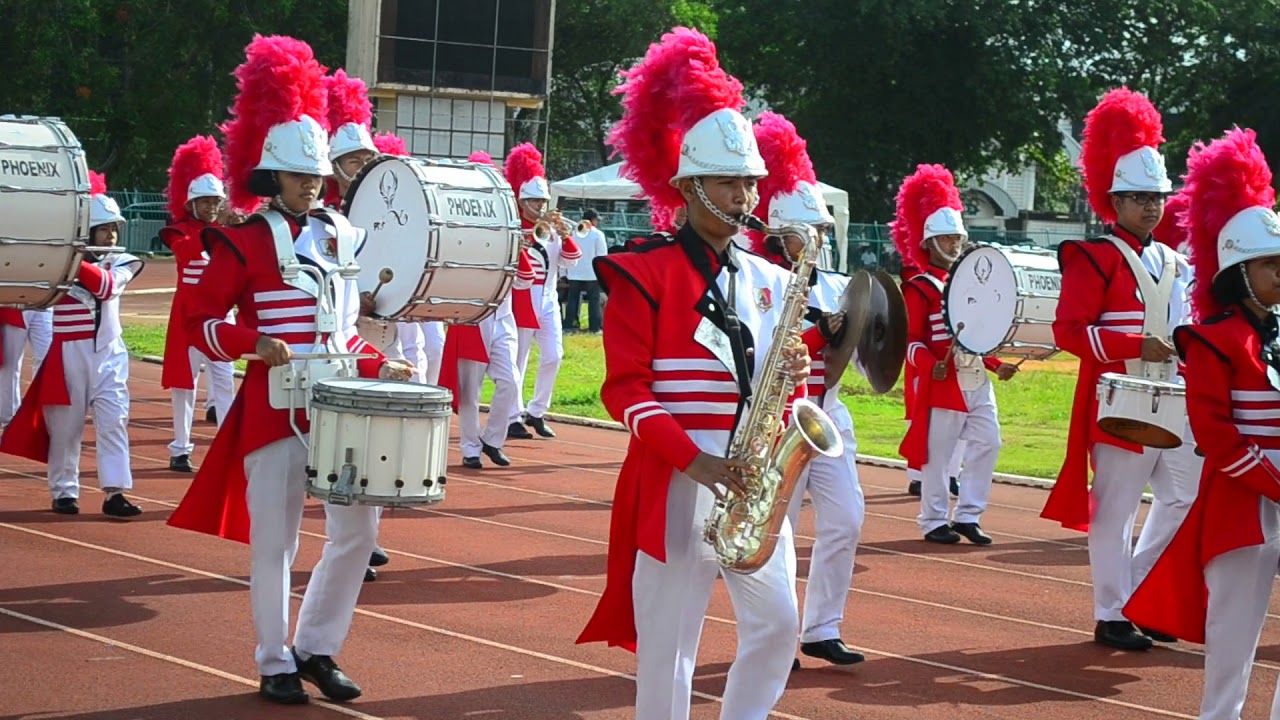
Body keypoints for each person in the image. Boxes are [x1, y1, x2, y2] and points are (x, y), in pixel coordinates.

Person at [164, 34, 413, 705]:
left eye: (317, 176)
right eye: (301, 175)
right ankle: (273, 659)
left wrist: (378, 359)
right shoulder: (240, 241)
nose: (313, 185)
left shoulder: (339, 237)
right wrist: (252, 341)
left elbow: (339, 332)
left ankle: (317, 647)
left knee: (358, 532)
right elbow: (199, 324)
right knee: (274, 543)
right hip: (274, 408)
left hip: (339, 403)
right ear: (273, 176)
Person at [575, 27, 811, 720]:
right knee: (670, 646)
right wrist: (696, 462)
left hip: (755, 479)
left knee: (777, 628)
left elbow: (774, 384)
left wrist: (790, 370)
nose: (743, 196)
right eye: (729, 182)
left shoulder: (770, 276)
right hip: (679, 479)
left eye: (748, 182)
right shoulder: (642, 271)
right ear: (688, 186)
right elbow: (624, 390)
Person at [1123, 126, 1280, 719]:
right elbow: (1217, 437)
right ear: (1238, 273)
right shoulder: (1213, 342)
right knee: (1234, 635)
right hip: (1243, 501)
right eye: (1268, 265)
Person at [1040, 87, 1202, 651]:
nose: (1150, 206)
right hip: (1120, 398)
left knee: (1185, 496)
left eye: (1157, 197)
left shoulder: (1174, 260)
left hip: (1176, 397)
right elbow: (1068, 333)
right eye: (1138, 198)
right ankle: (1111, 611)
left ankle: (1138, 592)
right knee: (1117, 509)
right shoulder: (1093, 255)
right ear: (1115, 201)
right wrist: (1135, 343)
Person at [745, 111, 865, 669]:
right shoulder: (756, 280)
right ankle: (779, 636)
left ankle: (823, 626)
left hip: (828, 415)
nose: (814, 241)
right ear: (777, 233)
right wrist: (821, 331)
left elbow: (866, 368)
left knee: (846, 519)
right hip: (779, 419)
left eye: (819, 231)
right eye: (803, 232)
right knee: (781, 529)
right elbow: (766, 354)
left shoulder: (838, 284)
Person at [0, 171, 144, 517]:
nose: (110, 236)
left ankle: (114, 492)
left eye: (114, 228)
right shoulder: (56, 265)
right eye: (103, 229)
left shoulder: (124, 260)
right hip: (65, 355)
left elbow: (107, 287)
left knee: (114, 421)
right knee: (65, 428)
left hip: (110, 354)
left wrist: (70, 257)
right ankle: (64, 491)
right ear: (87, 231)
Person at [895, 164, 1016, 545]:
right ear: (929, 243)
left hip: (976, 377)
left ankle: (968, 514)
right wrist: (934, 367)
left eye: (958, 238)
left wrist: (997, 364)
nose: (954, 245)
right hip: (943, 382)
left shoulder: (969, 283)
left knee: (989, 441)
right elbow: (909, 342)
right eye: (946, 239)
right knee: (939, 455)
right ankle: (932, 520)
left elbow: (978, 336)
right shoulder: (919, 287)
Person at [325, 67, 394, 582]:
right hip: (342, 333)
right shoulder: (324, 216)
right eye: (353, 159)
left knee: (374, 438)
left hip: (384, 328)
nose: (362, 166)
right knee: (341, 440)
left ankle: (364, 538)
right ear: (334, 167)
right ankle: (350, 540)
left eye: (367, 158)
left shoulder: (390, 206)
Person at [436, 150, 524, 470]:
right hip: (472, 314)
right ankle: (471, 448)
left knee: (510, 382)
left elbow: (525, 279)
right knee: (470, 391)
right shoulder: (462, 221)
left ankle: (492, 439)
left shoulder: (510, 220)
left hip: (503, 314)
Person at [158, 135, 236, 473]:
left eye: (216, 201)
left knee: (225, 378)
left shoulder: (224, 230)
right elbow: (190, 250)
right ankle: (180, 448)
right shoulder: (178, 231)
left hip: (220, 316)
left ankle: (229, 443)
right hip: (189, 318)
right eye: (206, 202)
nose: (212, 208)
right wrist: (225, 232)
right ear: (191, 204)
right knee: (184, 384)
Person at [506, 143, 581, 439]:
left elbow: (571, 262)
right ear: (522, 202)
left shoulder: (550, 230)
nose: (539, 207)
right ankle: (513, 415)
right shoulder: (515, 227)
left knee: (554, 355)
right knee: (518, 360)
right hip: (523, 296)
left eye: (543, 201)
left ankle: (537, 410)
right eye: (534, 202)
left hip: (548, 297)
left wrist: (565, 236)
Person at [0, 307, 51, 426]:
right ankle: (10, 417)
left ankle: (43, 413)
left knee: (47, 359)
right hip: (14, 307)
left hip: (44, 303)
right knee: (11, 366)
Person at [564, 208, 608, 333]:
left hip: (574, 271)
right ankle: (594, 327)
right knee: (593, 300)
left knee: (573, 299)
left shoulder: (573, 232)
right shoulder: (598, 234)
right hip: (592, 273)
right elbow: (602, 255)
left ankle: (570, 325)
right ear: (593, 221)